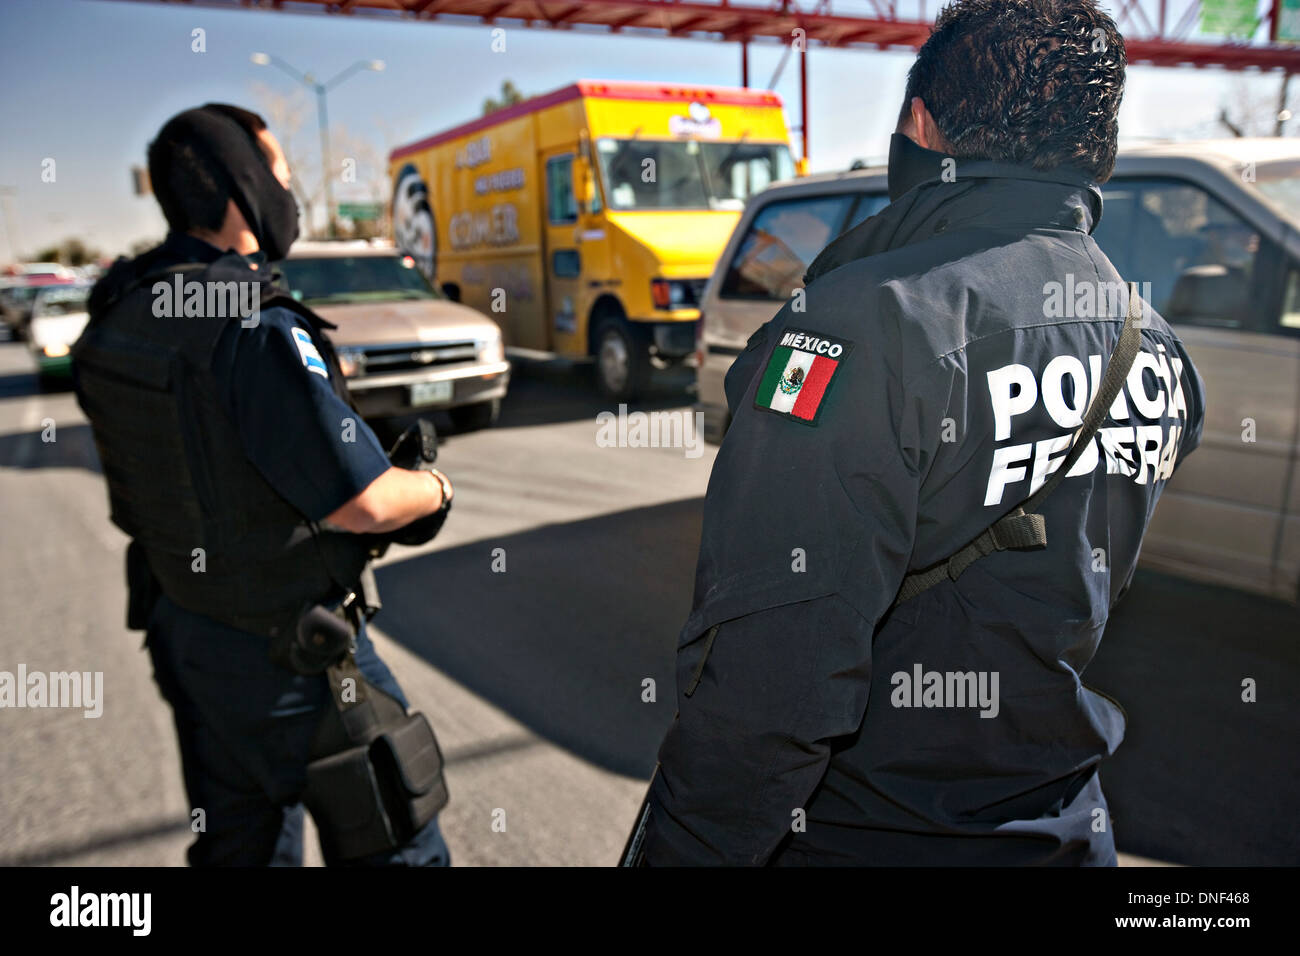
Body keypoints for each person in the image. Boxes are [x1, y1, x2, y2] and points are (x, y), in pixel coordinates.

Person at [642, 0, 1206, 865]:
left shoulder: (850, 329)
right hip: (1065, 829)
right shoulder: (1156, 344)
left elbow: (772, 683)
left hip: (866, 837)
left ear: (921, 127)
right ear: (1099, 154)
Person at [72, 104, 454, 866]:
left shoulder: (121, 309)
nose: (290, 190)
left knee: (240, 849)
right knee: (403, 850)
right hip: (294, 651)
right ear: (243, 184)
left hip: (187, 630)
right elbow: (367, 502)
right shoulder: (248, 315)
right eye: (279, 173)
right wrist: (435, 489)